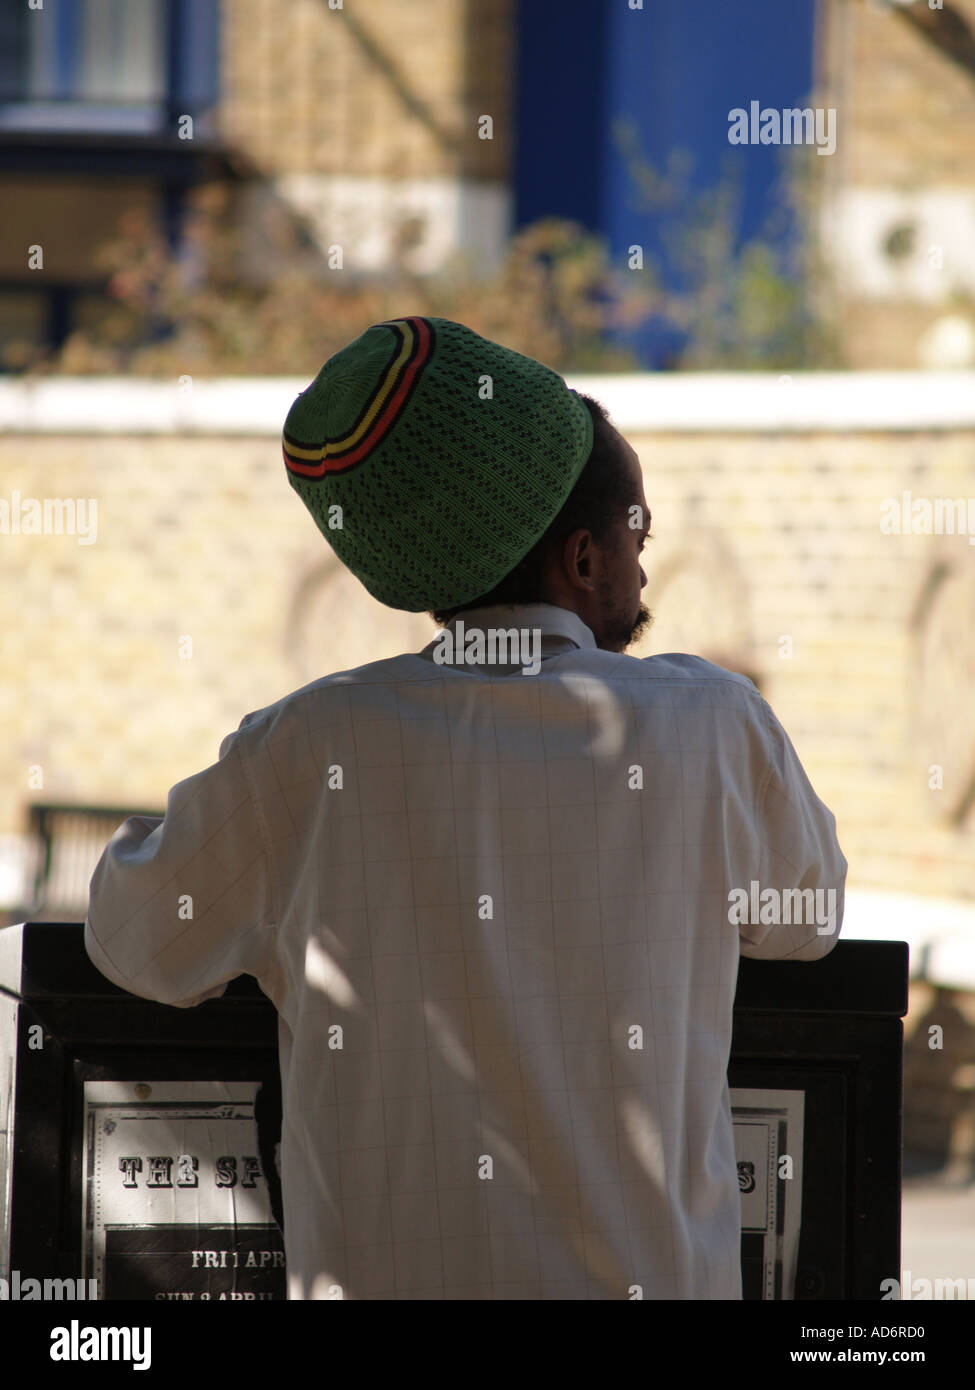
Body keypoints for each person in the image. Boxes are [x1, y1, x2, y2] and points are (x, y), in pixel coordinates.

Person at [85, 315, 847, 1299]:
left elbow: (134, 936)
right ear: (581, 559)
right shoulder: (709, 724)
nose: (646, 566)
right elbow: (810, 915)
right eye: (636, 533)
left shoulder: (310, 746)